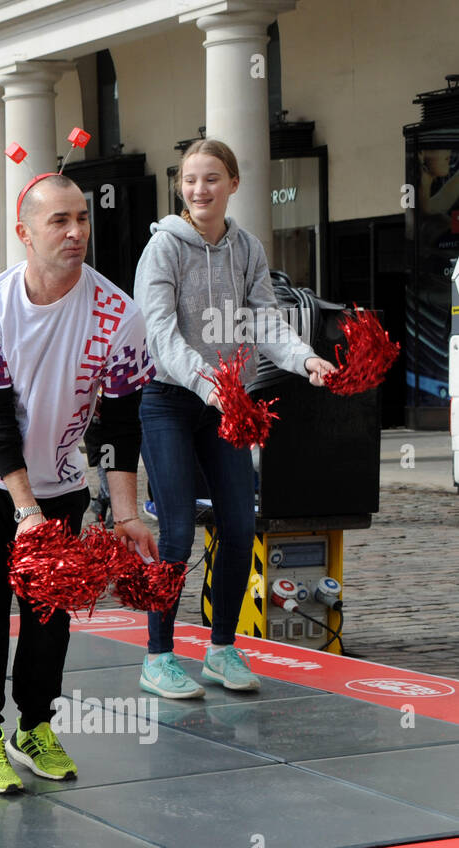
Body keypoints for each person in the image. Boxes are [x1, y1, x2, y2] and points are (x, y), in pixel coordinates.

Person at [0, 172, 157, 795]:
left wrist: (124, 512)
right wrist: (24, 510)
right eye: (59, 221)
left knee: (50, 611)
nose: (75, 232)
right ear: (24, 233)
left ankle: (34, 727)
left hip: (61, 474)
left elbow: (118, 424)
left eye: (82, 218)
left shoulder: (119, 314)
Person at [134, 138, 334, 699]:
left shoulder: (247, 248)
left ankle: (222, 649)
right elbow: (161, 335)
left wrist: (305, 359)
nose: (201, 189)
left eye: (212, 179)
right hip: (171, 399)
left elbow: (267, 322)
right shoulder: (164, 249)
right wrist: (208, 385)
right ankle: (158, 657)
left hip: (231, 403)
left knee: (241, 525)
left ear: (233, 184)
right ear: (180, 186)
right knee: (174, 531)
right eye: (191, 180)